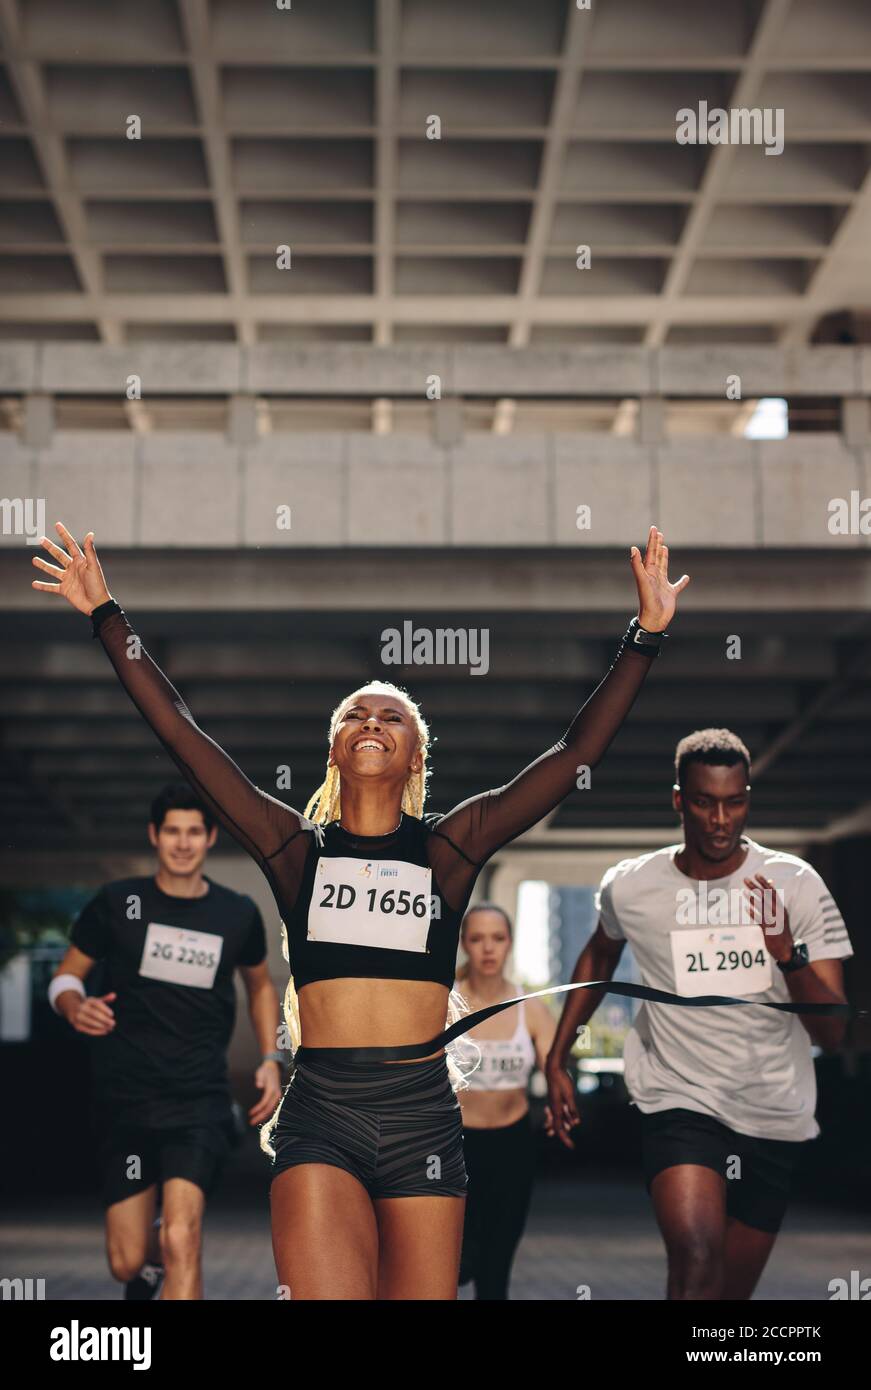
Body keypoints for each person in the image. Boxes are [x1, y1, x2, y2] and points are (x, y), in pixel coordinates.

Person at [32, 520, 687, 1301]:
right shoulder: (291, 850)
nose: (371, 723)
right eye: (355, 716)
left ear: (414, 756)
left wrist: (643, 635)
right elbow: (181, 731)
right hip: (322, 1114)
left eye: (392, 718)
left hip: (423, 1119)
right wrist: (108, 615)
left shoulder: (452, 848)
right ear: (334, 748)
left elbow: (574, 754)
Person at [545, 727, 853, 1300]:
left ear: (747, 801)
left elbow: (832, 1031)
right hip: (678, 1099)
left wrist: (787, 953)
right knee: (695, 1252)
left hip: (771, 1107)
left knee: (722, 1296)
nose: (721, 819)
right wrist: (559, 1052)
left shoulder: (795, 884)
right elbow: (600, 952)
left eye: (734, 802)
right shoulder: (632, 886)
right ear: (678, 801)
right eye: (706, 802)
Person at [49, 783, 283, 1300]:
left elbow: (261, 984)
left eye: (193, 832)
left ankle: (171, 1258)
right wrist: (73, 1005)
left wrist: (269, 1055)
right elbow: (66, 977)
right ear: (155, 835)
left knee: (183, 1237)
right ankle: (151, 1264)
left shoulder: (236, 914)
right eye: (172, 831)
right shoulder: (117, 904)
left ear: (210, 837)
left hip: (197, 1102)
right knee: (126, 1260)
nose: (182, 843)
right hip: (124, 1101)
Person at [454, 903, 555, 1300]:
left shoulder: (532, 1009)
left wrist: (561, 1106)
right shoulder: (445, 1005)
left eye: (497, 938)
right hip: (455, 1147)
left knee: (496, 1269)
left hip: (513, 1145)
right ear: (464, 944)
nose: (488, 949)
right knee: (458, 1262)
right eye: (477, 939)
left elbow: (556, 1072)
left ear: (510, 943)